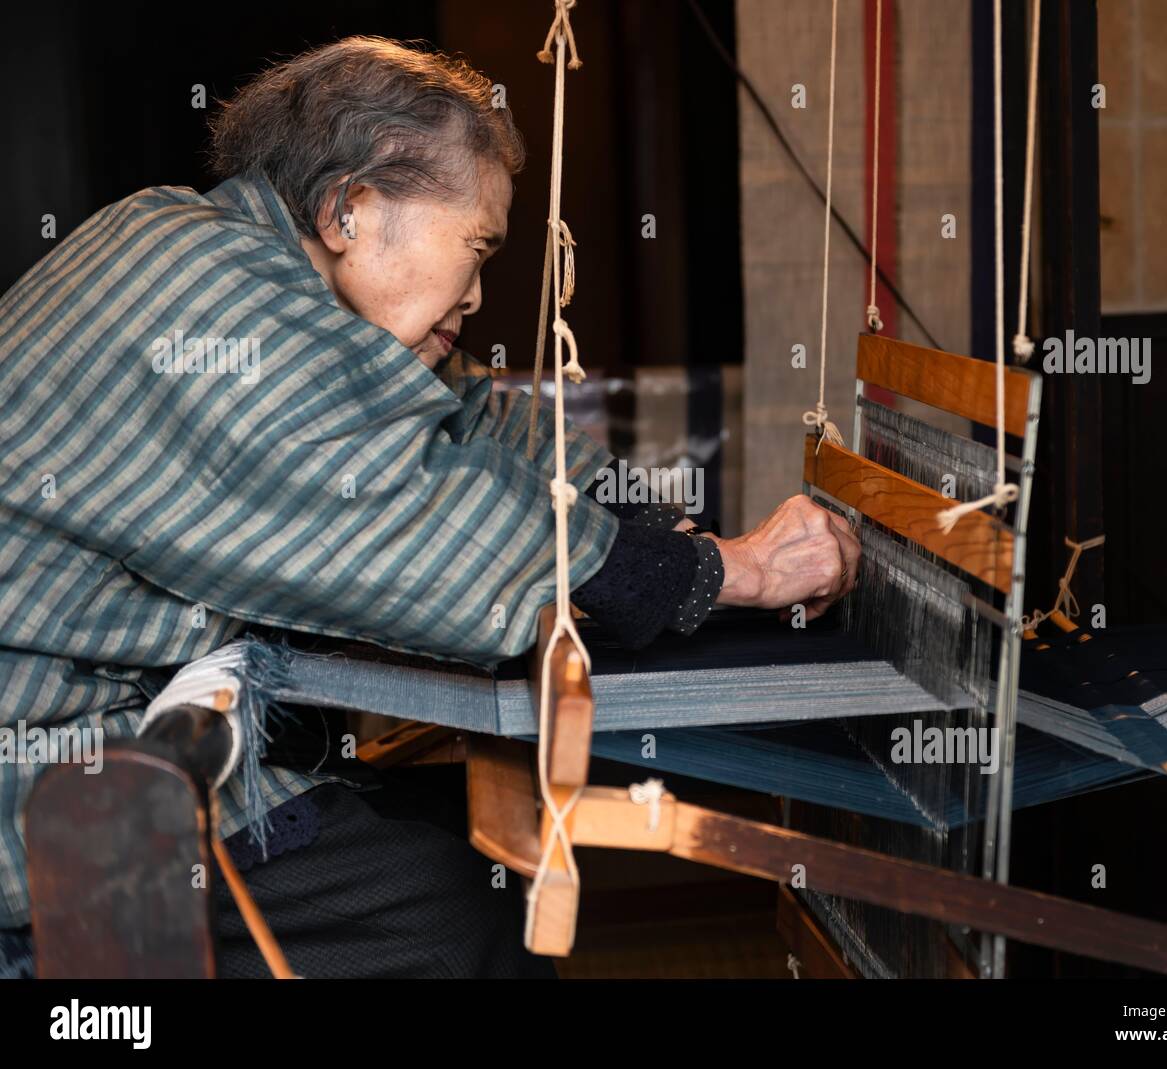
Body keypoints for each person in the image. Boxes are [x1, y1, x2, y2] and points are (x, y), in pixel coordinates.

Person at [0, 36, 859, 979]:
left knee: (447, 850)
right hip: (50, 783)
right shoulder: (199, 294)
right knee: (446, 911)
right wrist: (737, 573)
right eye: (477, 248)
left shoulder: (238, 266)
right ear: (351, 209)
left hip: (138, 733)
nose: (480, 294)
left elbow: (481, 426)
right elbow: (409, 509)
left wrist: (661, 525)